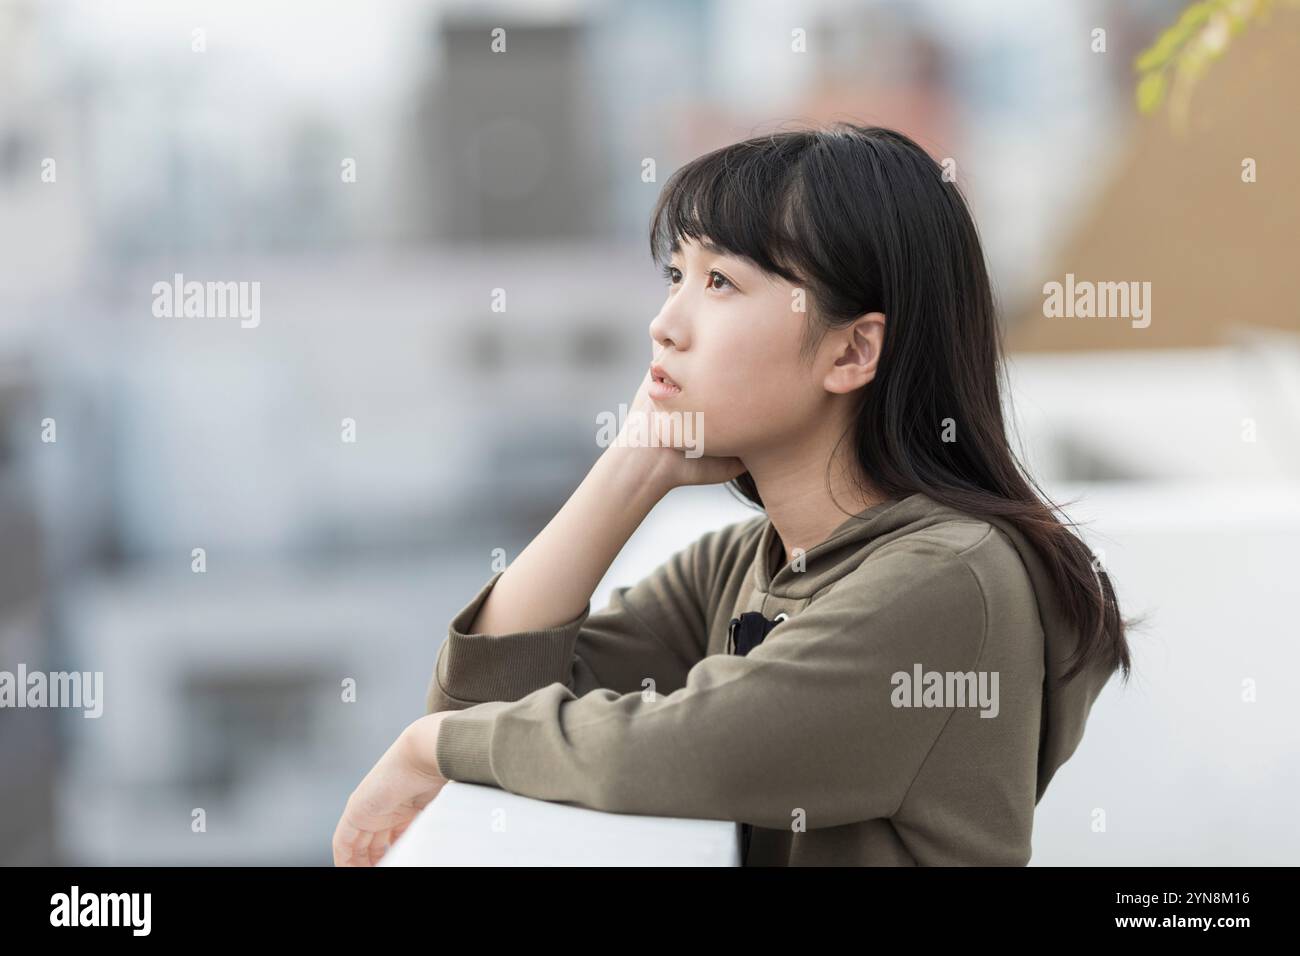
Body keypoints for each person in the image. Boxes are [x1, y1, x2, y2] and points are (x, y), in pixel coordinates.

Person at [332, 123, 1140, 867]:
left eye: (719, 281)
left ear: (854, 350)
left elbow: (692, 750)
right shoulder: (742, 564)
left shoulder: (946, 579)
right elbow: (489, 698)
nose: (666, 324)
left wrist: (427, 746)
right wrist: (631, 471)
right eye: (674, 275)